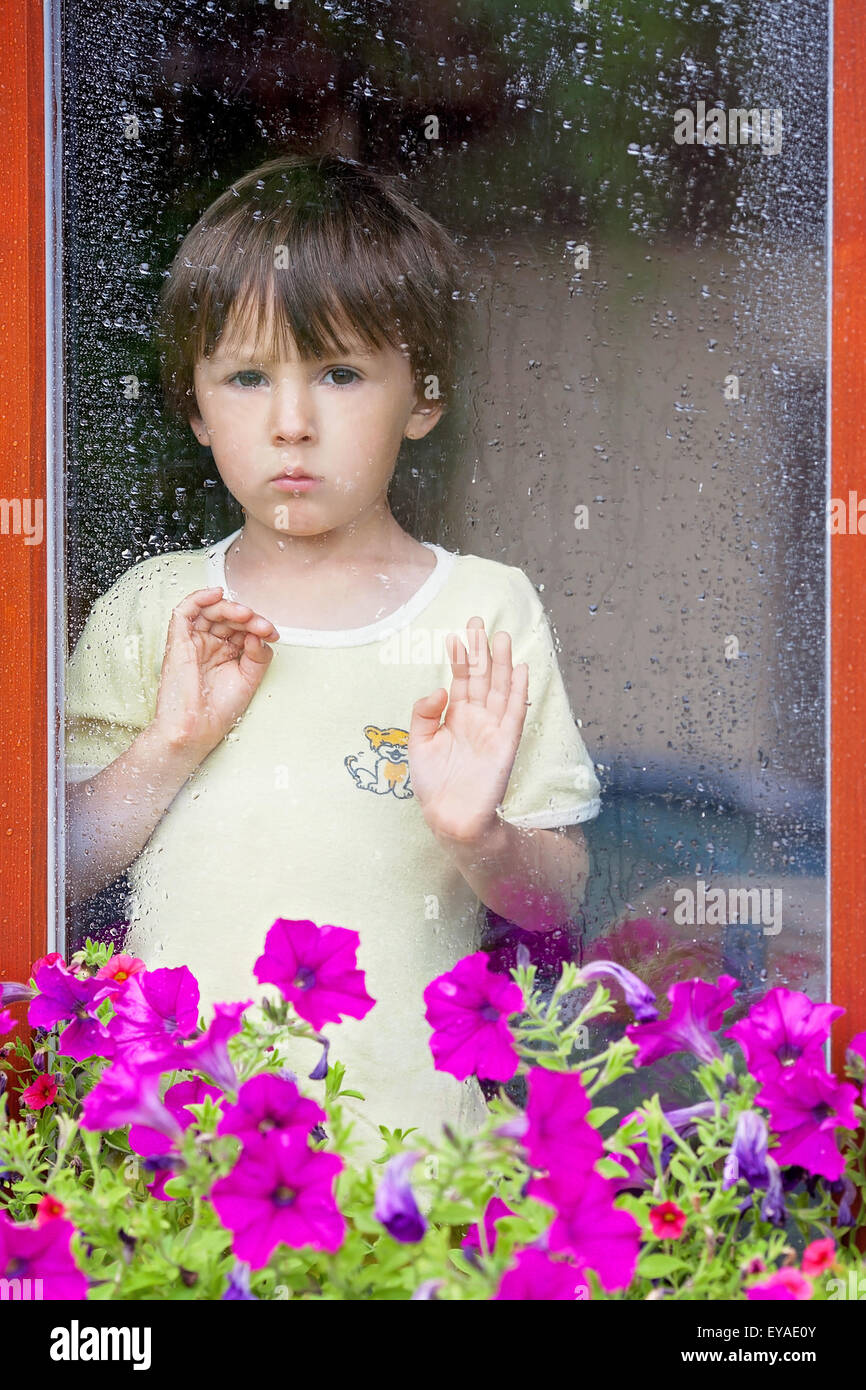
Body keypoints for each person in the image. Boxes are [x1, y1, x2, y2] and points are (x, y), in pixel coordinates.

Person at [64, 153, 602, 1163]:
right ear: (195, 406)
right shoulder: (153, 610)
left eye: (341, 373)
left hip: (416, 1160)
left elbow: (557, 894)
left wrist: (478, 835)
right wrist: (170, 745)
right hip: (175, 1150)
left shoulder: (484, 611)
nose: (291, 422)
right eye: (246, 377)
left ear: (422, 397)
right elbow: (53, 870)